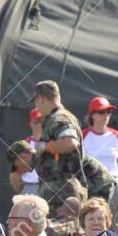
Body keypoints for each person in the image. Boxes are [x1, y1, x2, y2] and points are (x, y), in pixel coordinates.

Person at [31, 79, 87, 212]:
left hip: (62, 195)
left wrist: (44, 146)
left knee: (63, 231)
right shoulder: (55, 118)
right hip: (58, 193)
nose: (36, 107)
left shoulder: (60, 119)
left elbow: (70, 143)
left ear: (42, 99)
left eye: (36, 101)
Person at [82, 97, 118, 193]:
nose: (106, 115)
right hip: (90, 189)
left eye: (109, 112)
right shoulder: (82, 136)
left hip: (114, 189)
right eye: (102, 112)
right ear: (92, 115)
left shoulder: (117, 136)